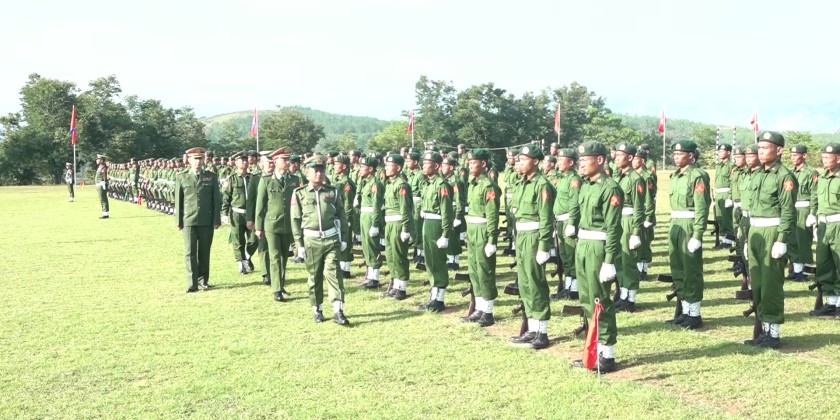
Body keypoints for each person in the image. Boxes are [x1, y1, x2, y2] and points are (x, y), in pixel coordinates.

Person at [570, 141, 622, 372]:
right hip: (583, 244)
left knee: (600, 300)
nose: (581, 163)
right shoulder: (585, 185)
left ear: (600, 160)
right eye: (579, 159)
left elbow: (613, 228)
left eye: (585, 159)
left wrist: (609, 261)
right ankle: (592, 350)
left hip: (599, 247)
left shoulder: (609, 188)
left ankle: (606, 353)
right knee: (586, 298)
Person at [743, 131, 796, 348]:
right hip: (755, 231)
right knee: (757, 282)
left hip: (772, 232)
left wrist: (781, 239)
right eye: (760, 147)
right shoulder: (756, 174)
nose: (761, 150)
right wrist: (747, 239)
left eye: (766, 147)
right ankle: (764, 330)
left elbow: (788, 211)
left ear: (779, 150)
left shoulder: (784, 176)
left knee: (771, 284)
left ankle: (773, 333)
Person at [291, 155, 351, 325]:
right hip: (311, 240)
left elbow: (342, 215)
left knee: (334, 274)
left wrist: (344, 237)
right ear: (307, 172)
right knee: (314, 276)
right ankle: (317, 308)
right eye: (315, 171)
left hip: (331, 239)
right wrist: (299, 245)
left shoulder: (333, 191)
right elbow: (295, 220)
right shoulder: (299, 193)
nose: (319, 174)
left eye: (322, 170)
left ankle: (338, 310)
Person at [509, 144, 554, 350]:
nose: (519, 163)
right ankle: (532, 328)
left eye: (524, 159)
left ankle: (542, 331)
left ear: (535, 161)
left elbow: (546, 218)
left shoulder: (541, 184)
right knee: (525, 282)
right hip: (521, 235)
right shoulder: (521, 183)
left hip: (535, 236)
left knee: (536, 282)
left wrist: (544, 245)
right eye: (518, 159)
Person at [666, 140, 711, 330]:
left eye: (680, 154)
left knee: (691, 270)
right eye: (674, 154)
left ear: (691, 156)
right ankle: (684, 311)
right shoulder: (675, 176)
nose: (676, 156)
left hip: (689, 224)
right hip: (675, 223)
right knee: (677, 269)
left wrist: (698, 234)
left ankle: (694, 314)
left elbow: (702, 207)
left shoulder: (698, 176)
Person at [459, 149, 500, 327]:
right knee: (474, 270)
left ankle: (488, 311)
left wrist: (492, 239)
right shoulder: (473, 184)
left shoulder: (488, 186)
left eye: (474, 162)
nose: (470, 166)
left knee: (485, 271)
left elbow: (492, 215)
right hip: (473, 229)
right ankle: (479, 308)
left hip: (483, 230)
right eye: (469, 163)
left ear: (483, 164)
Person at [175, 148, 221, 293]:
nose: (198, 161)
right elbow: (179, 200)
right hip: (189, 219)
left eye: (200, 158)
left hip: (206, 220)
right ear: (189, 160)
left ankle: (203, 280)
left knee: (204, 251)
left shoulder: (211, 177)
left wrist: (216, 219)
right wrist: (178, 220)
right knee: (190, 252)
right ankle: (191, 282)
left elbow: (216, 200)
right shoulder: (182, 177)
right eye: (195, 158)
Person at [256, 147, 295, 301]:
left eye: (287, 159)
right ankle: (276, 289)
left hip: (288, 224)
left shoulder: (294, 180)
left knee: (284, 256)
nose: (287, 162)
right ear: (275, 161)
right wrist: (259, 226)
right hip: (271, 224)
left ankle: (281, 284)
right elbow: (260, 205)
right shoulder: (266, 180)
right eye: (283, 159)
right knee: (275, 256)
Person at [418, 151, 455, 312]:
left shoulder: (442, 185)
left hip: (437, 224)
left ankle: (439, 299)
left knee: (438, 261)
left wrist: (445, 234)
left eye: (427, 163)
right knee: (430, 260)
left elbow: (447, 211)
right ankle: (433, 295)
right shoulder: (427, 183)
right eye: (424, 163)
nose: (424, 166)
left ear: (437, 166)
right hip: (427, 222)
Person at [612, 143, 645, 312]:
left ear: (630, 158)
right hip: (618, 221)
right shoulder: (618, 177)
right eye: (616, 155)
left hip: (629, 221)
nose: (616, 158)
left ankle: (630, 298)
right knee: (619, 259)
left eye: (621, 155)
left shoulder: (635, 179)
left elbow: (639, 207)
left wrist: (636, 232)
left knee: (629, 261)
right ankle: (623, 294)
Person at [811, 143, 840, 316]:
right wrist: (813, 216)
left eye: (827, 158)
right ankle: (830, 301)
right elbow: (815, 198)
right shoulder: (821, 178)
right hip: (823, 225)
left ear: (838, 158)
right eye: (822, 158)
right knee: (824, 263)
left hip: (838, 224)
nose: (824, 161)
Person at [550, 148, 582, 300]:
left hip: (568, 220)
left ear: (570, 162)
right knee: (564, 255)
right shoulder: (562, 178)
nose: (558, 163)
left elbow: (575, 203)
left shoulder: (573, 180)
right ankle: (568, 286)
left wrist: (572, 223)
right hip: (560, 221)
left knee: (571, 255)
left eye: (561, 160)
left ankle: (574, 288)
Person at [382, 154, 414, 299]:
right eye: (386, 165)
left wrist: (405, 229)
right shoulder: (389, 184)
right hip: (389, 223)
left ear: (399, 167)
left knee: (399, 255)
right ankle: (395, 284)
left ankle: (401, 287)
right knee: (390, 255)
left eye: (390, 165)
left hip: (398, 224)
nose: (387, 168)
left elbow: (405, 209)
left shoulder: (401, 185)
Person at [222, 151, 260, 275]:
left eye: (246, 160)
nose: (244, 162)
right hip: (237, 213)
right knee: (238, 240)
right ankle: (241, 263)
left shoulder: (253, 178)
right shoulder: (231, 179)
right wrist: (224, 213)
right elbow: (226, 197)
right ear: (236, 163)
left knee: (254, 239)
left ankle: (247, 257)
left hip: (252, 213)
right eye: (241, 160)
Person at [788, 145, 818, 281]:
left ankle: (805, 270)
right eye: (791, 155)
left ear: (804, 156)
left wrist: (812, 213)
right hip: (792, 208)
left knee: (803, 240)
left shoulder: (811, 172)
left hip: (804, 209)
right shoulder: (790, 172)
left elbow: (815, 193)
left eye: (796, 155)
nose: (793, 157)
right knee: (792, 240)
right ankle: (797, 270)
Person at [356, 156, 385, 288]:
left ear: (371, 169)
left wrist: (375, 224)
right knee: (366, 246)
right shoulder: (365, 182)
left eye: (363, 167)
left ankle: (375, 277)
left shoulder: (375, 183)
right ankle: (369, 275)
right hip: (364, 215)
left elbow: (377, 205)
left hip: (370, 216)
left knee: (372, 246)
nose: (360, 169)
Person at [632, 149, 656, 279]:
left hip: (644, 213)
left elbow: (649, 199)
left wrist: (648, 217)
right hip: (636, 212)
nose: (633, 161)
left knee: (644, 243)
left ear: (642, 161)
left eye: (635, 159)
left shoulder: (647, 177)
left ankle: (643, 270)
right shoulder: (633, 176)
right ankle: (636, 267)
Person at [332, 155, 357, 278]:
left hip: (345, 216)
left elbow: (348, 203)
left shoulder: (346, 182)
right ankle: (342, 266)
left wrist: (346, 219)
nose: (334, 166)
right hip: (338, 215)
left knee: (345, 241)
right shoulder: (339, 180)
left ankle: (345, 269)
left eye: (337, 164)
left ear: (344, 166)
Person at [714, 144, 736, 249]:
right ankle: (724, 239)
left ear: (728, 152)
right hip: (719, 194)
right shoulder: (719, 166)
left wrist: (730, 197)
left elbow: (733, 182)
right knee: (720, 218)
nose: (719, 153)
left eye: (722, 151)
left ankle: (729, 241)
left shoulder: (731, 166)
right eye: (719, 151)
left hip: (726, 193)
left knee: (727, 219)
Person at [94, 154, 110, 219]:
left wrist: (104, 184)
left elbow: (104, 177)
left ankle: (105, 213)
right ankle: (104, 212)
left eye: (98, 159)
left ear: (101, 160)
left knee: (103, 199)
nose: (96, 160)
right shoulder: (100, 167)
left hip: (101, 184)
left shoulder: (102, 167)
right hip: (99, 184)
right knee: (102, 199)